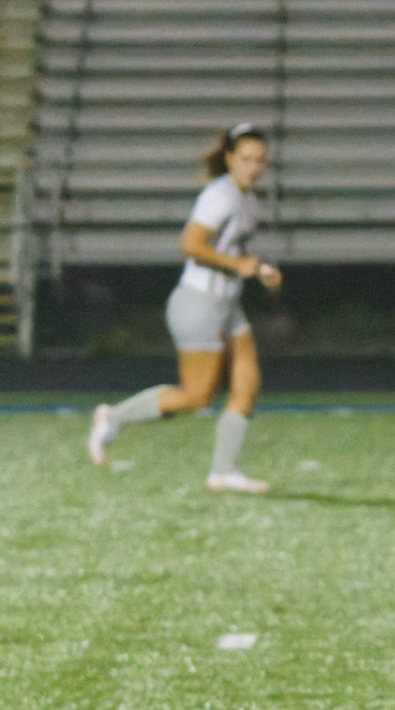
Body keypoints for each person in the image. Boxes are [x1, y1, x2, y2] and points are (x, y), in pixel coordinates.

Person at [87, 123, 282, 492]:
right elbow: (191, 245)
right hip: (199, 303)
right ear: (229, 158)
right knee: (196, 395)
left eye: (259, 160)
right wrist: (242, 266)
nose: (253, 167)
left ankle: (223, 471)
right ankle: (111, 417)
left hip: (226, 303)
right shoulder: (221, 194)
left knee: (246, 385)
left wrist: (259, 268)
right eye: (245, 159)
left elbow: (228, 250)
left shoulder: (246, 200)